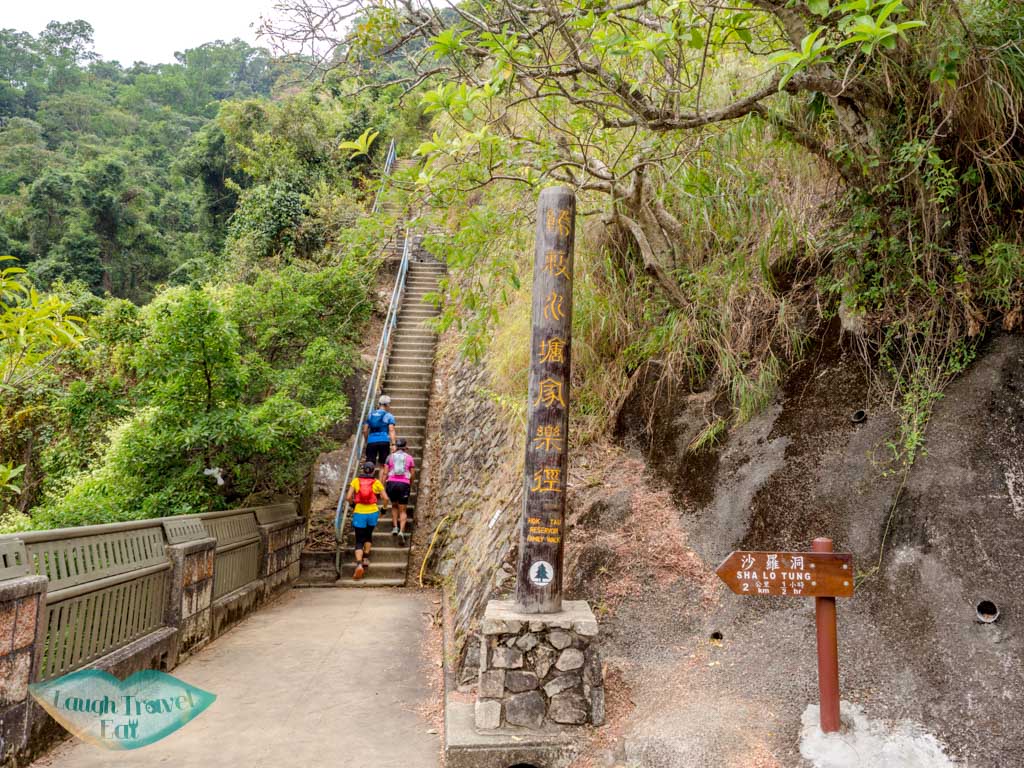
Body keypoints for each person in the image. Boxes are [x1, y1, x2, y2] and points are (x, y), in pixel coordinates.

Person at [345, 461, 388, 580]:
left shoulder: (356, 481)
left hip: (359, 512)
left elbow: (348, 497)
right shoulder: (376, 482)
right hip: (373, 512)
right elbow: (385, 498)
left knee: (359, 540)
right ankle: (366, 558)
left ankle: (359, 565)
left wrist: (353, 505)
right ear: (374, 470)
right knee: (368, 535)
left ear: (363, 470)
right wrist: (383, 510)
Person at [385, 438, 416, 546]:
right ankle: (402, 531)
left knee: (394, 505)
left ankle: (395, 527)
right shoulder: (409, 458)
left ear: (396, 446)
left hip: (392, 483)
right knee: (403, 510)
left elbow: (385, 472)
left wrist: (384, 485)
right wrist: (409, 484)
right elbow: (412, 474)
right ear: (405, 447)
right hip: (404, 484)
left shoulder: (389, 457)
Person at [364, 394, 396, 481]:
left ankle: (369, 487)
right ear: (387, 405)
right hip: (384, 441)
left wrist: (367, 440)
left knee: (370, 464)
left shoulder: (370, 415)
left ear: (379, 403)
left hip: (371, 441)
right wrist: (393, 444)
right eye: (389, 404)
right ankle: (380, 489)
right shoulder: (389, 416)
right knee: (382, 465)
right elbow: (391, 430)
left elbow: (365, 430)